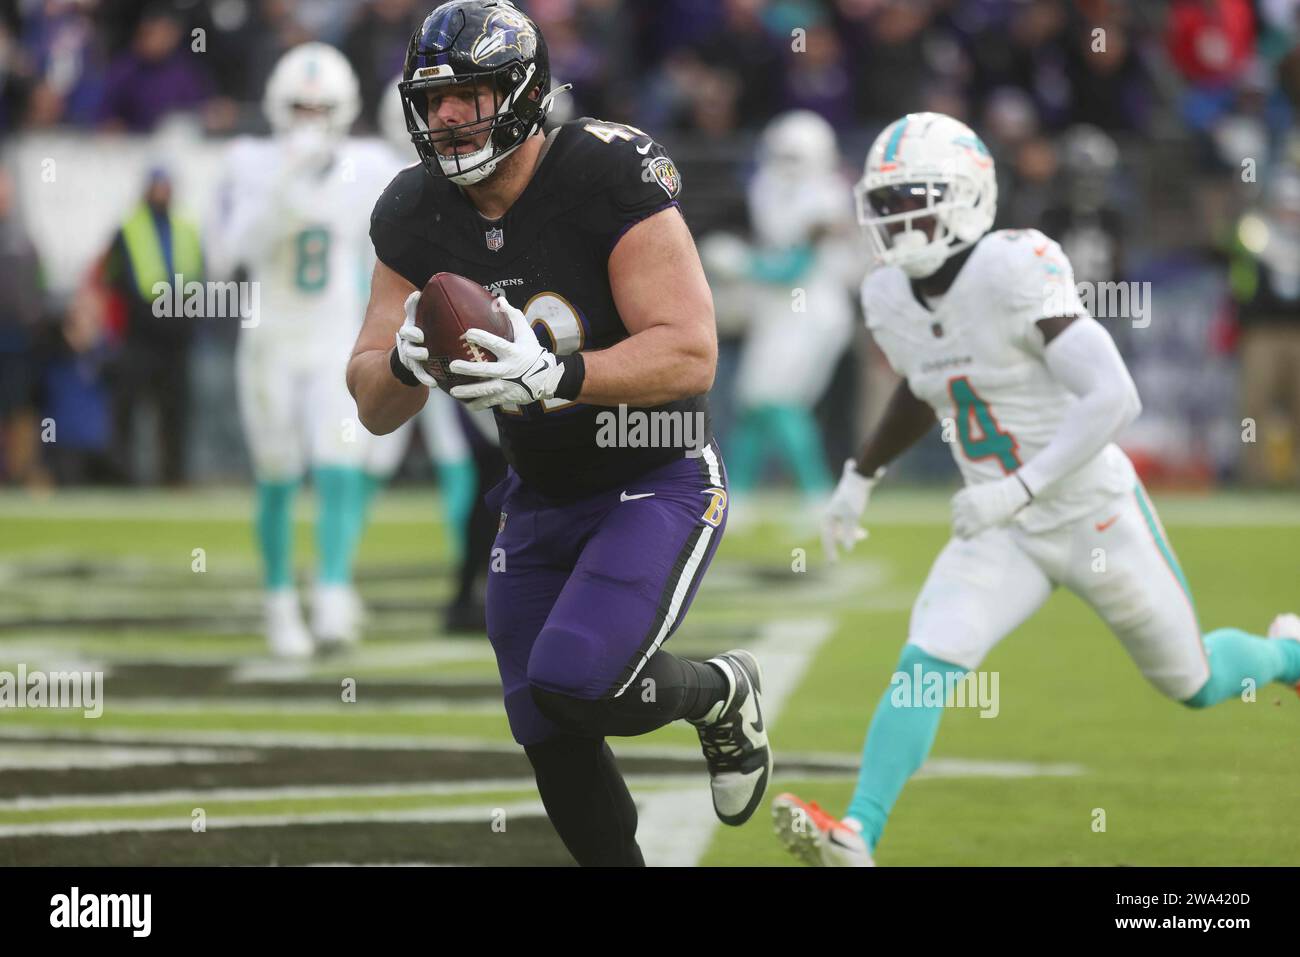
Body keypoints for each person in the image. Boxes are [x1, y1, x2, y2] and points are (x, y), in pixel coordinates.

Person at [773, 112, 1300, 867]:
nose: (892, 219)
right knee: (928, 657)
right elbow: (929, 386)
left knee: (1195, 679)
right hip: (1002, 529)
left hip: (1093, 516)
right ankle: (858, 831)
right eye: (882, 202)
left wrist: (1019, 487)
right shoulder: (888, 295)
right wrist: (861, 475)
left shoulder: (1013, 266)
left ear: (963, 198)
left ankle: (1288, 654)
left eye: (910, 199)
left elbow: (1114, 397)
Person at [347, 0, 771, 866]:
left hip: (654, 472)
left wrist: (558, 373)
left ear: (526, 90)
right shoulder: (415, 211)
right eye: (432, 101)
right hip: (536, 494)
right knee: (544, 721)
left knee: (577, 678)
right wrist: (405, 362)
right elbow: (369, 400)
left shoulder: (604, 173)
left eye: (468, 95)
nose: (447, 117)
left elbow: (691, 353)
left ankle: (722, 693)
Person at [208, 42, 397, 657]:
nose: (310, 116)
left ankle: (334, 591)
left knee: (340, 465)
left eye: (322, 106)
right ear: (276, 105)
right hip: (270, 341)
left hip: (333, 338)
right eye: (299, 105)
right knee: (278, 474)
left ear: (343, 108)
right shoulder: (248, 160)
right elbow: (225, 255)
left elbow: (385, 256)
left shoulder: (368, 164)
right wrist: (287, 181)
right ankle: (278, 602)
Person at [102, 167, 202, 485]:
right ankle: (123, 476)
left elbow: (199, 274)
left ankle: (173, 477)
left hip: (176, 334)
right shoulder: (129, 228)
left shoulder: (185, 228)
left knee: (175, 411)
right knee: (128, 407)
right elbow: (113, 276)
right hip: (141, 332)